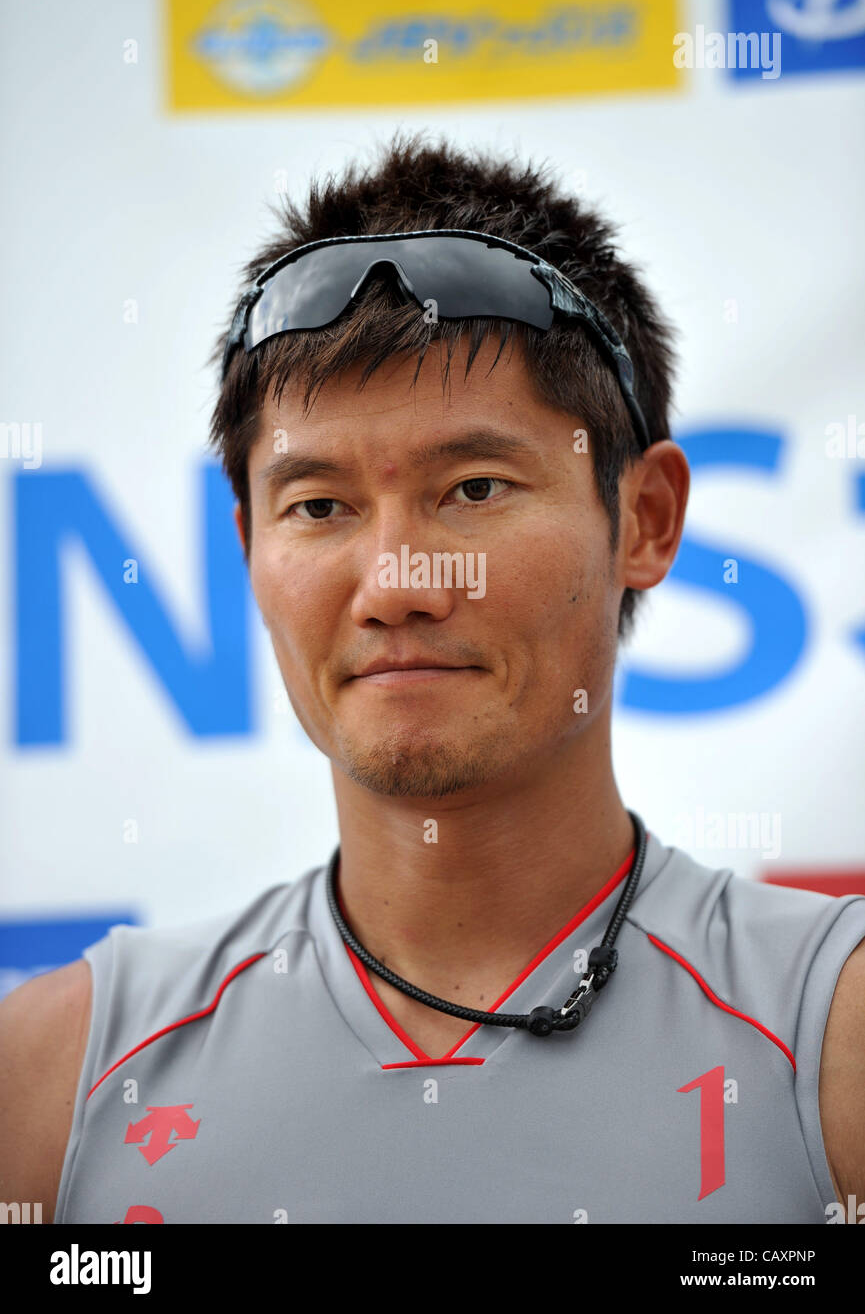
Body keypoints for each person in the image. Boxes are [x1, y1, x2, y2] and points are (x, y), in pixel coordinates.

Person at [2, 132, 863, 1225]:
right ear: (249, 547)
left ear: (643, 519)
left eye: (474, 487)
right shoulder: (55, 1077)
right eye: (319, 505)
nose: (397, 582)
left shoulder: (832, 1043)